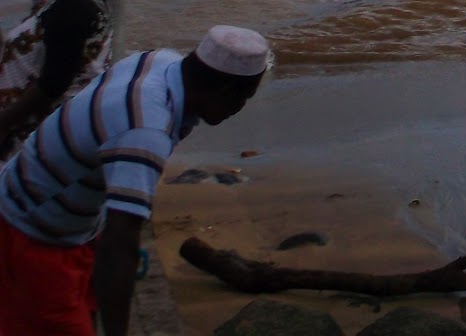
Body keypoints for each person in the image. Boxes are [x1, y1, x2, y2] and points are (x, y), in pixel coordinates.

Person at [0, 25, 270, 336]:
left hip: (64, 215)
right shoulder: (145, 130)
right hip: (31, 236)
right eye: (244, 99)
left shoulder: (161, 61)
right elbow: (121, 244)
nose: (241, 109)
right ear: (226, 92)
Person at [0, 0, 113, 161]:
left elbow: (53, 84)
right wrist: (38, 18)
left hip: (38, 133)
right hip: (69, 124)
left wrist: (4, 123)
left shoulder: (70, 8)